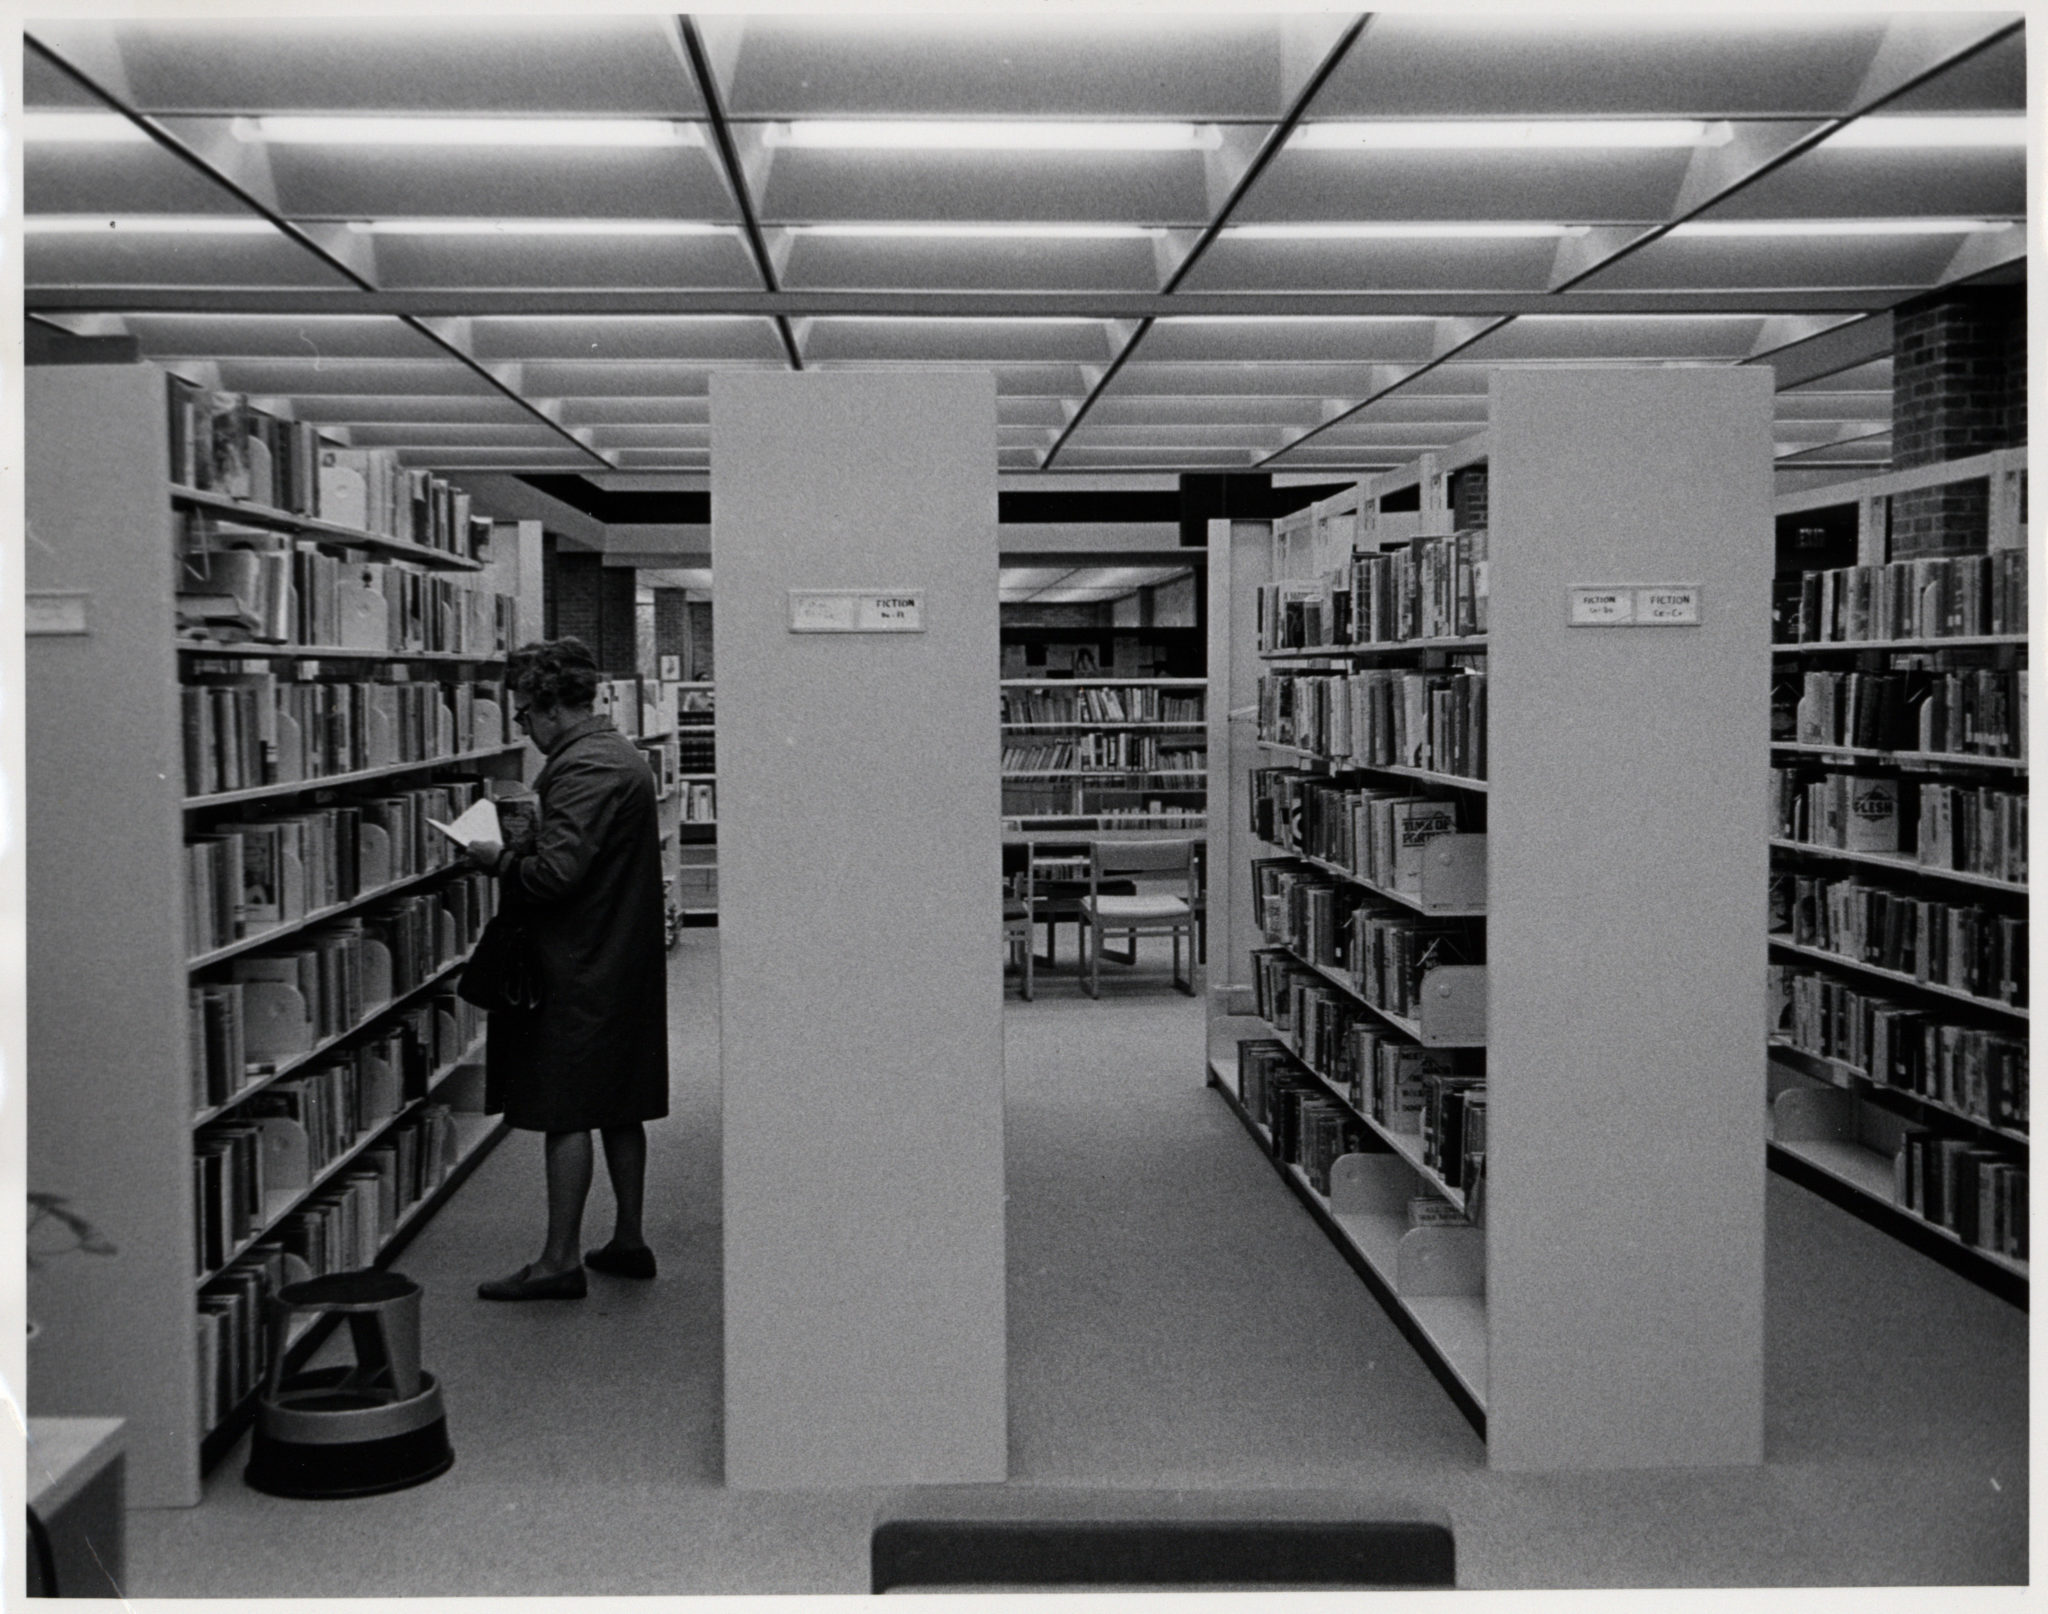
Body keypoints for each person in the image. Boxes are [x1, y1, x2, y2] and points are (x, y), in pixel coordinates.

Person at [465, 636, 669, 1300]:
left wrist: (495, 857)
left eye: (524, 715)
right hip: (620, 952)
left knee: (567, 1109)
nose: (524, 728)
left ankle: (558, 1260)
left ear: (552, 706)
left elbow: (555, 875)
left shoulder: (583, 769)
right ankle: (629, 1238)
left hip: (582, 960)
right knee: (621, 1102)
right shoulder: (618, 755)